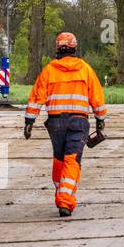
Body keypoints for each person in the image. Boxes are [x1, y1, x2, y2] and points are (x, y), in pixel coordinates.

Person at [23, 32, 106, 217]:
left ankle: (62, 193)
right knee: (72, 160)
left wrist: (29, 121)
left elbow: (37, 97)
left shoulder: (49, 70)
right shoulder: (85, 69)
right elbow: (97, 97)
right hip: (79, 121)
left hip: (55, 122)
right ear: (75, 48)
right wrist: (100, 120)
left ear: (58, 48)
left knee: (59, 159)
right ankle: (65, 200)